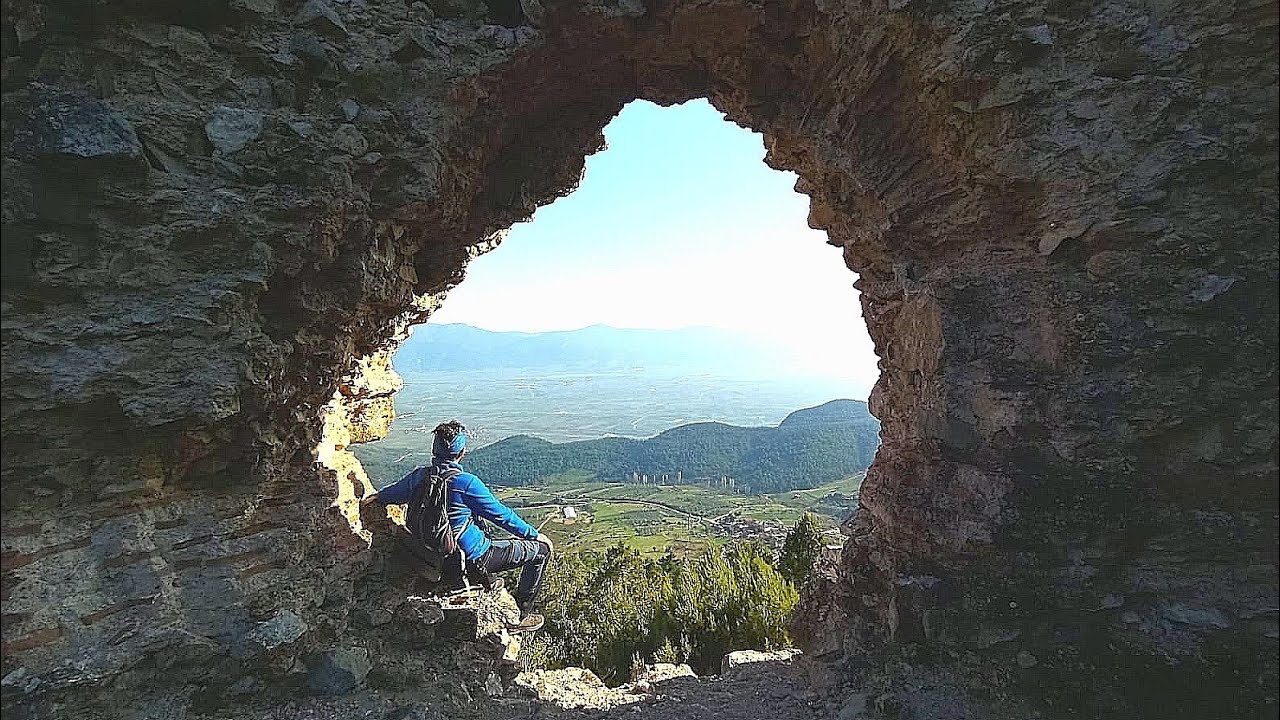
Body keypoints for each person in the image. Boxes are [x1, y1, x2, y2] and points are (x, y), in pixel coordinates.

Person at [361, 421, 552, 632]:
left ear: (435, 450)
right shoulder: (466, 483)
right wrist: (534, 535)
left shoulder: (419, 476)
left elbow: (387, 495)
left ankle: (482, 580)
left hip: (430, 552)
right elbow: (503, 516)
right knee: (541, 552)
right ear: (462, 452)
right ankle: (520, 614)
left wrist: (371, 498)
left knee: (476, 519)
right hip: (473, 558)